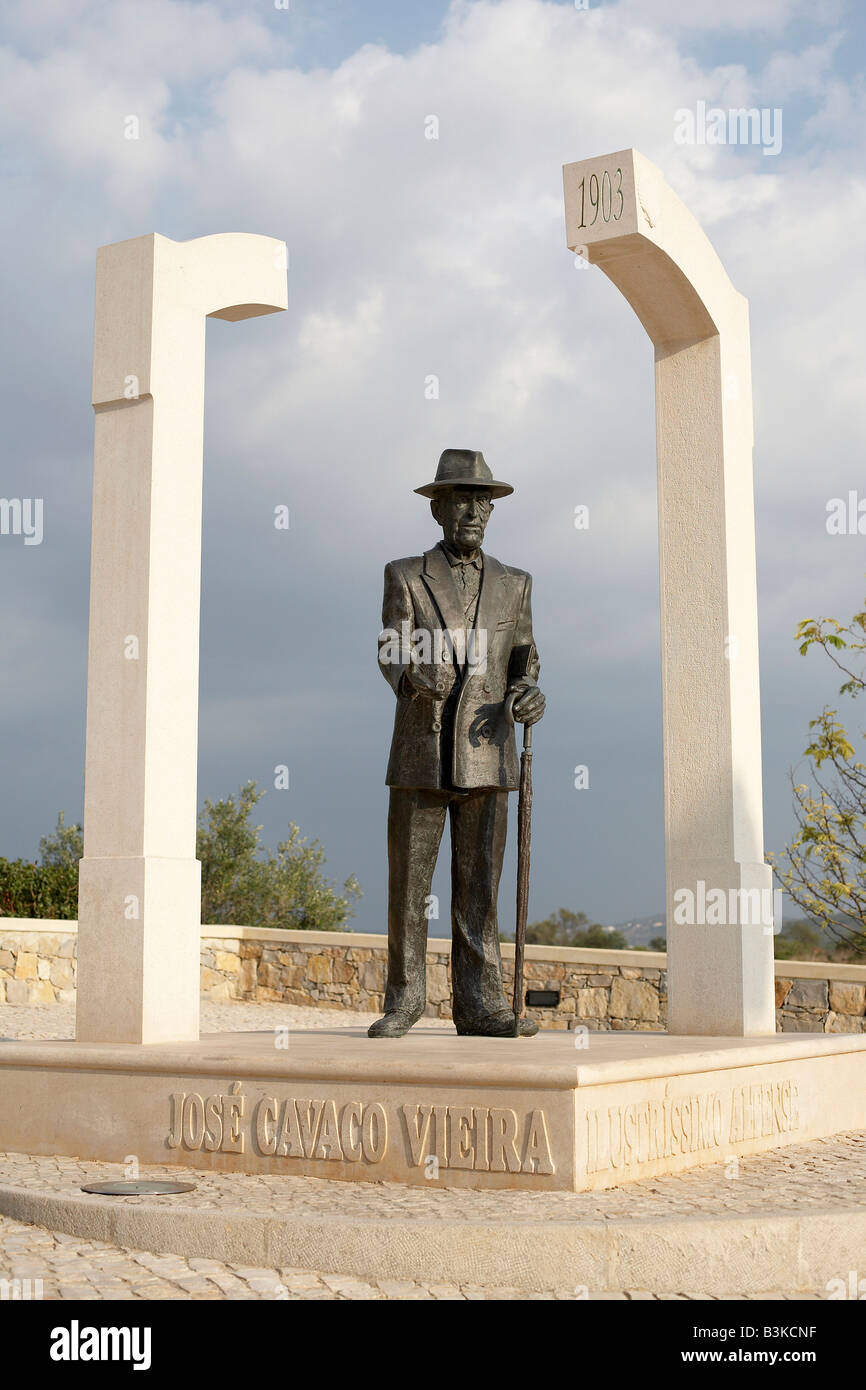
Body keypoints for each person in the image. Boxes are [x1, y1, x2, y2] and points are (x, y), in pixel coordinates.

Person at [370, 448, 545, 1038]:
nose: (473, 511)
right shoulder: (405, 574)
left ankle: (481, 1006)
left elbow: (525, 658)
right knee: (409, 888)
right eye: (462, 500)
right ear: (439, 508)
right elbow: (389, 648)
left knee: (479, 892)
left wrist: (528, 693)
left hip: (488, 751)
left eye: (483, 501)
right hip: (421, 749)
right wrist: (413, 673)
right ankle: (404, 999)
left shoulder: (515, 584)